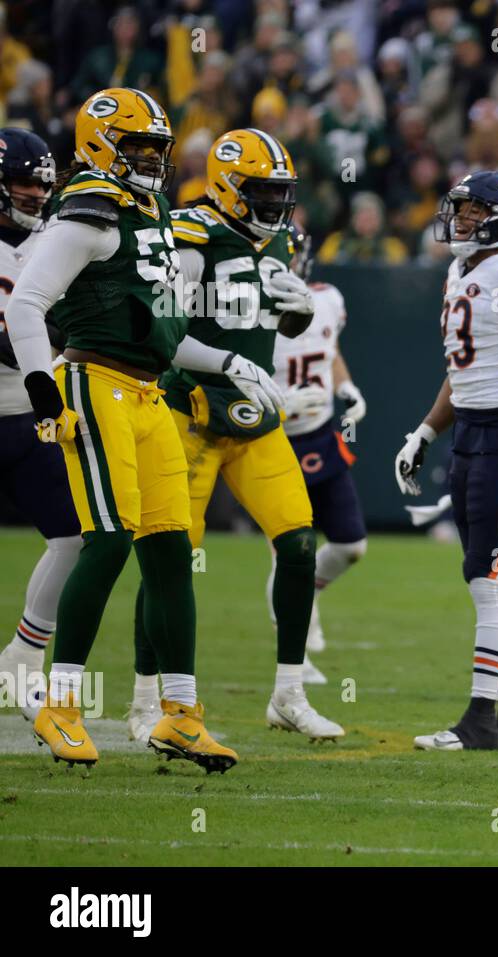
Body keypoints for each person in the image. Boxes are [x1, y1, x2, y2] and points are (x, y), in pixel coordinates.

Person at [5, 88, 250, 771]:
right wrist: (44, 393)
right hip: (95, 384)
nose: (148, 161)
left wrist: (227, 362)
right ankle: (59, 702)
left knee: (170, 553)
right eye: (135, 147)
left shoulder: (151, 211)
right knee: (107, 541)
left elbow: (165, 331)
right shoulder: (87, 210)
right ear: (97, 145)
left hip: (148, 392)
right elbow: (28, 304)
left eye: (155, 149)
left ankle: (179, 713)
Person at [128, 128, 343, 744]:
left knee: (299, 544)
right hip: (187, 413)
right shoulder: (192, 238)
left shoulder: (274, 239)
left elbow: (270, 321)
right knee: (167, 563)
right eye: (263, 190)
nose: (276, 204)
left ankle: (289, 693)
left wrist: (295, 304)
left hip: (250, 417)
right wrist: (226, 363)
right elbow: (164, 335)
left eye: (282, 191)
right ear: (228, 185)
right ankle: (146, 701)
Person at [395, 170, 498, 751]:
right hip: (469, 431)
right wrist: (424, 432)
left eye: (472, 212)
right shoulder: (460, 270)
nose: (460, 220)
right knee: (482, 577)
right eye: (460, 210)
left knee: (491, 580)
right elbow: (460, 371)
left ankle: (479, 721)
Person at [0, 129, 80, 719]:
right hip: (22, 394)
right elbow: (9, 345)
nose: (36, 195)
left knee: (75, 536)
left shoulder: (56, 238)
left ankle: (22, 659)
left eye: (43, 185)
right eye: (24, 184)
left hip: (28, 417)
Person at [270, 227, 368, 663]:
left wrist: (346, 387)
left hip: (322, 432)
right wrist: (278, 405)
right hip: (271, 439)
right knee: (292, 546)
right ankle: (294, 653)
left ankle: (305, 593)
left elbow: (331, 351)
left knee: (351, 545)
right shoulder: (248, 310)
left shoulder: (328, 298)